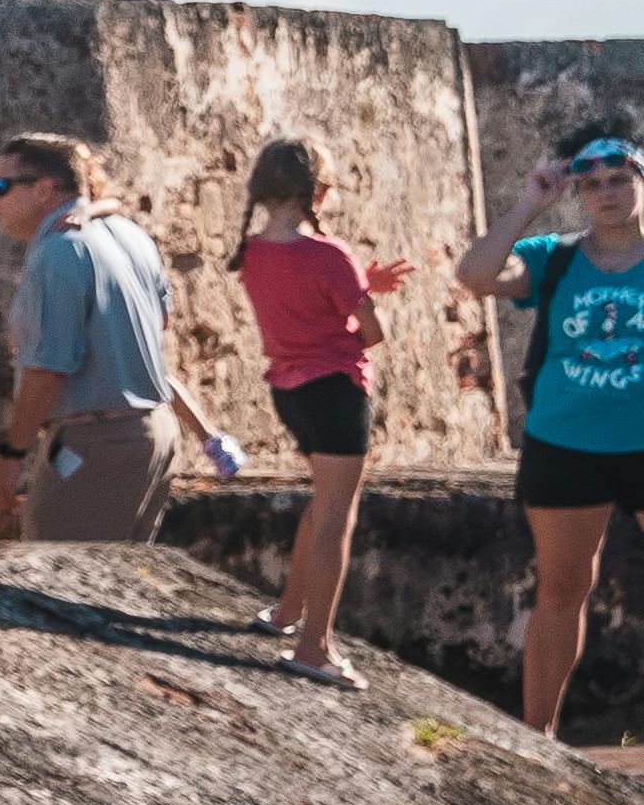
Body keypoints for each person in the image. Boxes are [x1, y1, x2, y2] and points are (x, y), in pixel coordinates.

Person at [460, 129, 644, 738]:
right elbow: (478, 276)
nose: (606, 193)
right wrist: (529, 204)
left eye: (620, 179)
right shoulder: (555, 255)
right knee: (563, 590)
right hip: (565, 445)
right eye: (590, 184)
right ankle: (539, 737)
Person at [229, 138, 416, 684]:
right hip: (336, 390)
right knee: (338, 515)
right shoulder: (330, 254)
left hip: (289, 391)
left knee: (323, 499)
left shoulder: (252, 249)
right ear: (317, 191)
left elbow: (300, 300)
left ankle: (287, 611)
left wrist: (360, 286)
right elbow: (370, 333)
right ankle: (315, 648)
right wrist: (367, 297)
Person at [0, 132, 188, 543]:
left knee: (55, 580)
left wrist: (11, 455)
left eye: (1, 187)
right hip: (154, 433)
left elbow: (46, 373)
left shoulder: (59, 252)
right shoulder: (131, 236)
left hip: (96, 442)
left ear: (45, 189)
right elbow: (161, 318)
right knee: (126, 587)